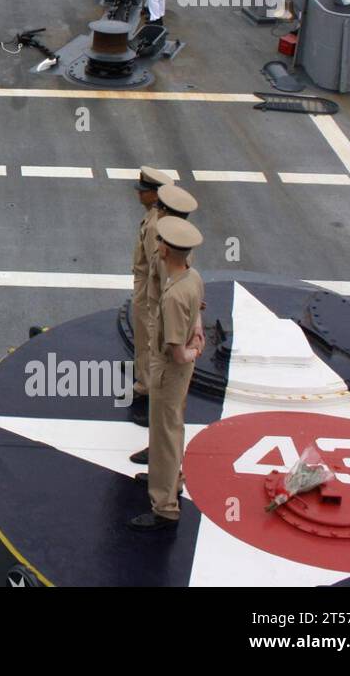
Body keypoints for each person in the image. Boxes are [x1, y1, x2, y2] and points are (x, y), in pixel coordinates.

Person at [131, 215, 205, 532]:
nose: (156, 245)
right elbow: (197, 314)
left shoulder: (173, 295)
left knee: (164, 435)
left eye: (160, 242)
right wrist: (197, 338)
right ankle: (170, 478)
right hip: (179, 372)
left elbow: (176, 350)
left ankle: (165, 506)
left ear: (165, 251)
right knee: (170, 430)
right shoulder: (192, 278)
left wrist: (193, 351)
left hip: (169, 370)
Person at [127, 167, 172, 425]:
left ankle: (147, 388)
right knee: (144, 338)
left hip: (149, 291)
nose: (139, 195)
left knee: (147, 339)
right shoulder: (154, 217)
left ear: (154, 195)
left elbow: (160, 267)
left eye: (143, 192)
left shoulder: (155, 223)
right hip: (145, 286)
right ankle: (144, 378)